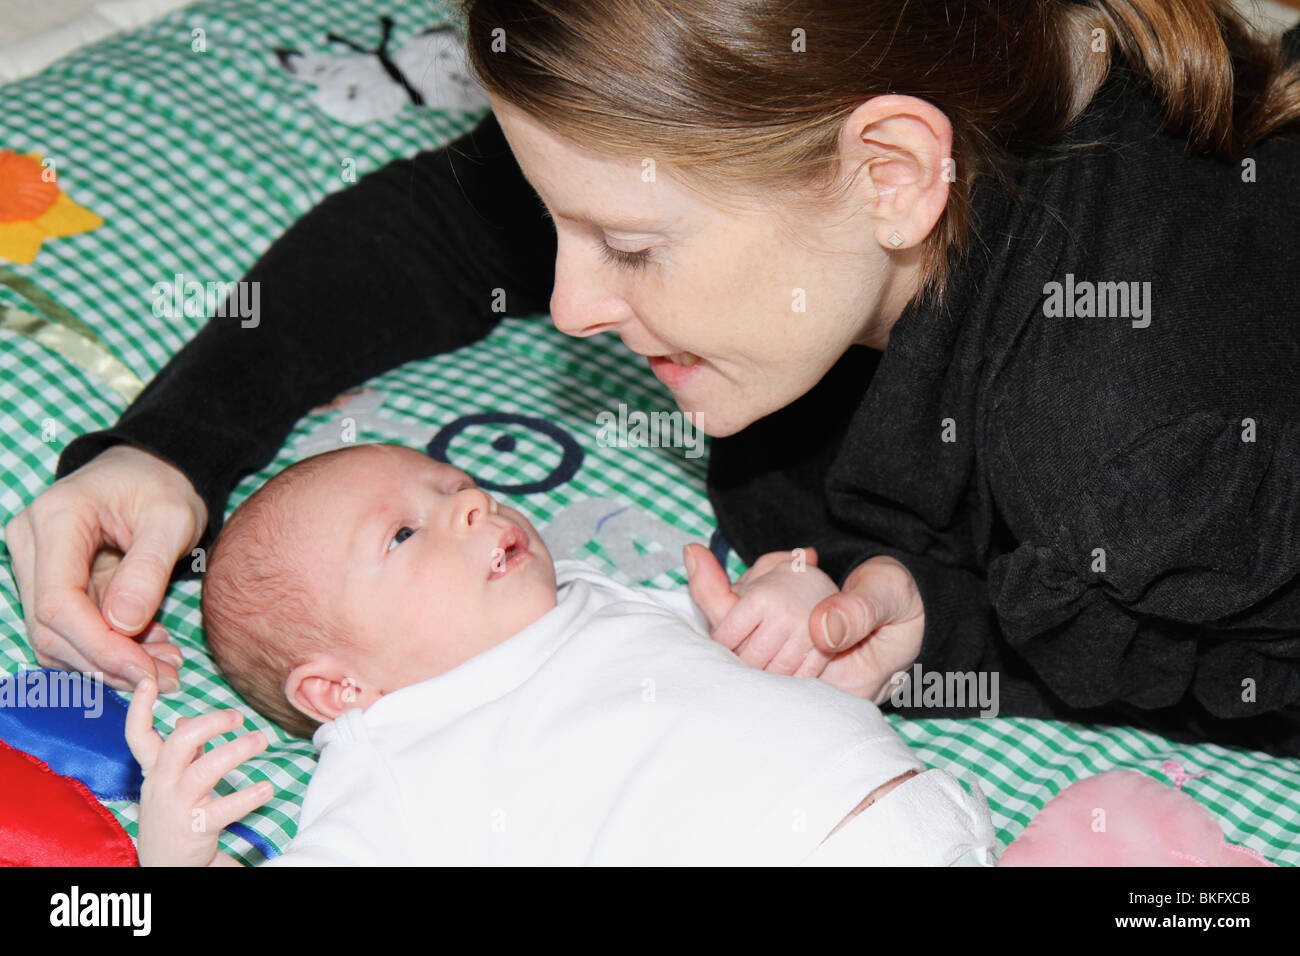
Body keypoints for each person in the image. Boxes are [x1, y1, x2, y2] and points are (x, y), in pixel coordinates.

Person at [7, 0, 1300, 754]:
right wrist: (169, 444)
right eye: (562, 224)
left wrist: (954, 635)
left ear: (891, 176)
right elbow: (444, 231)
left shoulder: (1135, 468)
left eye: (629, 250)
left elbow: (1194, 674)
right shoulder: (916, 110)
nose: (567, 309)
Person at [125, 441, 996, 866]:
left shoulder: (596, 592)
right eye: (401, 533)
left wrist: (797, 598)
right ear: (338, 686)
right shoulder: (392, 760)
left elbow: (760, 653)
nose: (473, 505)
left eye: (457, 487)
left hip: (935, 819)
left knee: (1115, 811)